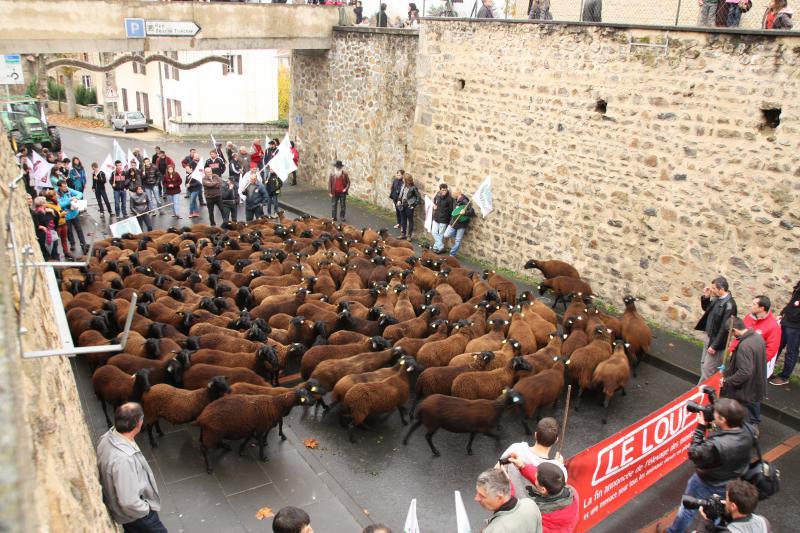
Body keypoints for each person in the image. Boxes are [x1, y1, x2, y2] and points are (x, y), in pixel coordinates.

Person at [664, 398, 754, 533]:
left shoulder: (716, 445)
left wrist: (701, 427)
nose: (712, 414)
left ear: (723, 420)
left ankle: (674, 531)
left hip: (706, 482)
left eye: (716, 414)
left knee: (688, 508)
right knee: (718, 510)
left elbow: (694, 454)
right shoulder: (748, 430)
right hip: (731, 483)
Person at [96, 402, 165, 533]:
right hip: (138, 517)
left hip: (127, 514)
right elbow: (128, 501)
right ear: (138, 424)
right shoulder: (124, 460)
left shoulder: (106, 437)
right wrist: (146, 509)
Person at [499, 417, 566, 498]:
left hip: (512, 503)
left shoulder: (515, 449)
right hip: (536, 510)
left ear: (535, 435)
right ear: (556, 440)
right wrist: (559, 464)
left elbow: (497, 469)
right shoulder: (559, 471)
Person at [723, 316, 767, 433]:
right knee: (753, 402)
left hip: (746, 385)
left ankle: (735, 428)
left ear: (735, 330)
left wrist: (727, 381)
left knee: (735, 406)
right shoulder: (757, 337)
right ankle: (754, 424)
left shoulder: (744, 345)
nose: (731, 336)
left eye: (731, 333)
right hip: (756, 381)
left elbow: (744, 372)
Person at [694, 276, 738, 381]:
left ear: (721, 289)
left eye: (714, 288)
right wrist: (706, 297)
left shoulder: (729, 306)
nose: (711, 290)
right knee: (704, 364)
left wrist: (714, 346)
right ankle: (702, 390)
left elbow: (725, 328)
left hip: (716, 342)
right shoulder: (718, 299)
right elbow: (707, 308)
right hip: (709, 336)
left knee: (708, 369)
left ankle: (701, 392)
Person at [474, 467, 542, 533]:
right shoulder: (530, 504)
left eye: (482, 495)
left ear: (499, 497)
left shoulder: (494, 529)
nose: (476, 498)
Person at [730, 296, 781, 378]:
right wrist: (733, 349)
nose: (751, 306)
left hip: (753, 365)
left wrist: (755, 364)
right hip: (738, 358)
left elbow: (771, 349)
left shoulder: (773, 326)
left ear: (762, 308)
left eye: (754, 304)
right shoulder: (749, 317)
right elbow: (739, 334)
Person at [522, 462, 579, 533]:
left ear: (543, 490)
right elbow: (548, 481)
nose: (535, 478)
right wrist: (523, 467)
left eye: (536, 479)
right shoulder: (573, 493)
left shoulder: (541, 518)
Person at [700, 479, 771, 533]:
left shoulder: (731, 530)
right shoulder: (763, 521)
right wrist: (727, 513)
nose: (725, 500)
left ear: (733, 506)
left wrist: (707, 522)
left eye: (727, 498)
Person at [770, 279, 800, 387]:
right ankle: (769, 370)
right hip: (786, 321)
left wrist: (793, 317)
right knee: (776, 347)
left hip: (796, 326)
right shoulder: (798, 285)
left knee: (791, 352)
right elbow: (792, 302)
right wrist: (782, 313)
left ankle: (784, 377)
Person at [56, 180, 88, 254]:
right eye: (64, 187)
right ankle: (72, 244)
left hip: (74, 213)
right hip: (66, 215)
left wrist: (76, 198)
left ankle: (83, 243)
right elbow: (60, 204)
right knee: (69, 231)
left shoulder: (69, 190)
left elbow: (79, 193)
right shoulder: (57, 194)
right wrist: (69, 199)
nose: (66, 188)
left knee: (79, 229)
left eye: (66, 186)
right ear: (60, 187)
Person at [443, 189, 476, 257]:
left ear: (457, 194)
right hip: (454, 222)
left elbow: (472, 212)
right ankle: (456, 234)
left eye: (453, 194)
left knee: (458, 241)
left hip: (462, 224)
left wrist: (465, 212)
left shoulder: (465, 201)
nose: (452, 195)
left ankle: (452, 254)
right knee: (446, 235)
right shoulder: (455, 200)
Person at [32, 195, 59, 260]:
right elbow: (43, 223)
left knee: (54, 251)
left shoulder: (47, 211)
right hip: (44, 236)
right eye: (45, 202)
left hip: (51, 234)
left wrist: (53, 212)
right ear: (42, 204)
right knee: (49, 253)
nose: (47, 203)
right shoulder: (38, 213)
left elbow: (56, 219)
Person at [44, 190, 69, 258]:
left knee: (64, 239)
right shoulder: (48, 205)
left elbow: (59, 210)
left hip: (63, 223)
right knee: (55, 241)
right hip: (57, 225)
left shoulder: (57, 203)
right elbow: (53, 216)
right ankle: (55, 255)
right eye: (56, 195)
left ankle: (66, 252)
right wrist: (61, 214)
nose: (57, 196)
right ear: (52, 197)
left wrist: (63, 213)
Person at [396, 173, 420, 241]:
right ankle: (403, 234)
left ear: (407, 180)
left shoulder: (413, 188)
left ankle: (409, 236)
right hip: (402, 205)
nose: (402, 179)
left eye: (404, 179)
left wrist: (413, 205)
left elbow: (418, 197)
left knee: (410, 221)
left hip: (409, 206)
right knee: (403, 220)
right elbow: (401, 195)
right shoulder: (403, 185)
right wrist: (399, 200)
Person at [431, 183, 454, 253]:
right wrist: (434, 205)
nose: (444, 191)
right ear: (440, 190)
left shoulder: (450, 199)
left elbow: (451, 210)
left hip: (444, 219)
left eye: (445, 190)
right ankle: (441, 246)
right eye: (442, 190)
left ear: (447, 189)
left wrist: (449, 220)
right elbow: (434, 201)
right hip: (436, 217)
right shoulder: (438, 195)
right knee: (434, 232)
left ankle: (436, 247)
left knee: (441, 234)